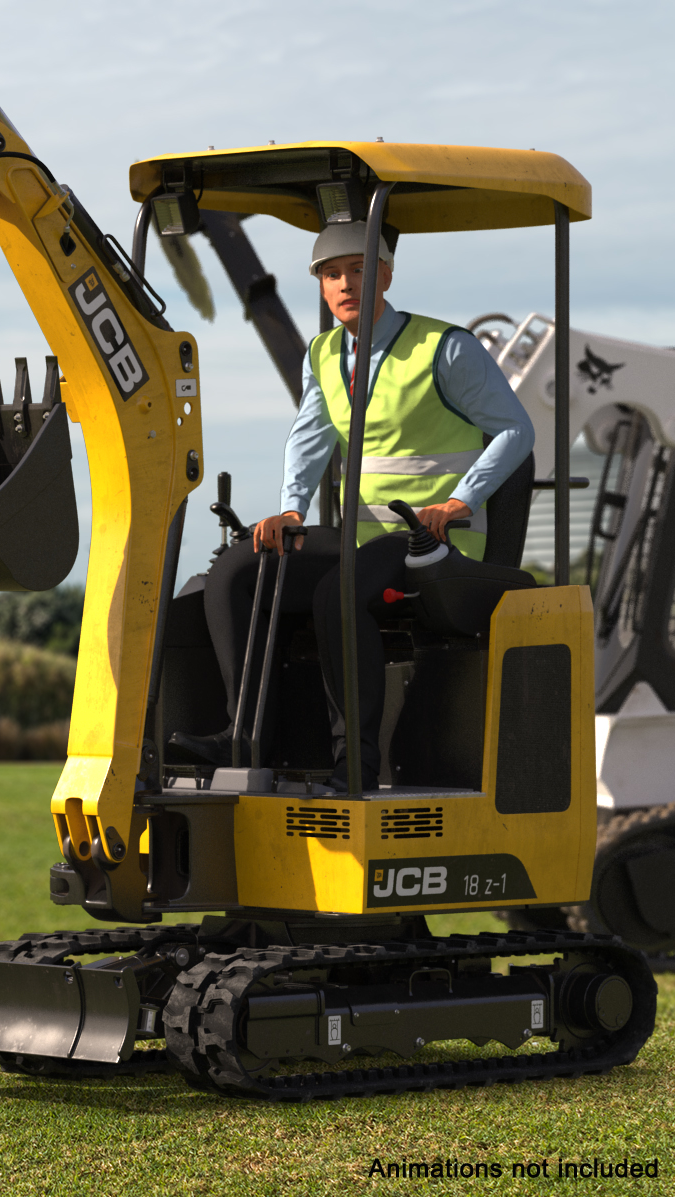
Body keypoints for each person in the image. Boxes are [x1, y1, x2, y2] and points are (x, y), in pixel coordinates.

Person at [169, 221, 533, 790]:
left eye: (359, 270)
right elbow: (309, 437)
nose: (345, 283)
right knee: (237, 569)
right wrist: (291, 510)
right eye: (331, 273)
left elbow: (516, 431)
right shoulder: (324, 354)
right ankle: (246, 735)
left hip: (434, 545)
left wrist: (459, 501)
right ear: (319, 285)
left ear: (385, 275)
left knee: (335, 592)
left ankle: (353, 764)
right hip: (366, 542)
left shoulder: (446, 349)